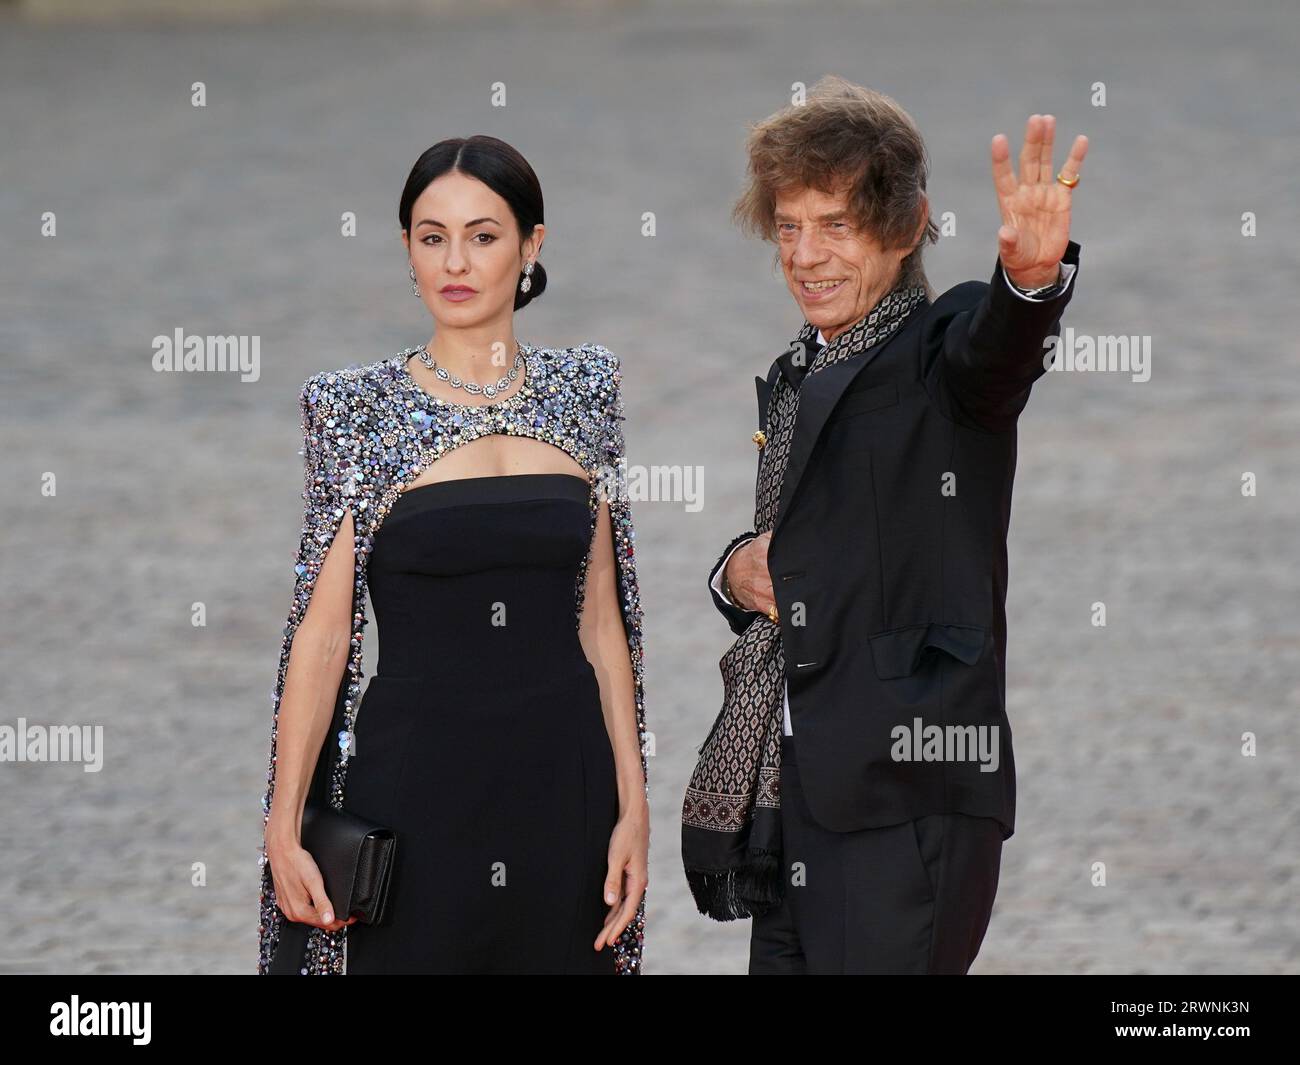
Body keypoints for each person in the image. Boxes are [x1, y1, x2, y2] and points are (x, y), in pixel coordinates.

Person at [682, 76, 1086, 974]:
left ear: (906, 230)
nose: (806, 254)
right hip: (794, 803)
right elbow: (796, 554)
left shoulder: (937, 358)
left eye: (836, 225)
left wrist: (1027, 284)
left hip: (906, 805)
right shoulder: (803, 370)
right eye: (789, 227)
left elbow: (996, 357)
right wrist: (732, 571)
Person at [257, 135, 649, 974]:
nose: (455, 261)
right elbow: (324, 635)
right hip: (414, 790)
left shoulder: (587, 390)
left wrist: (634, 807)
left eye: (483, 234)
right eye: (431, 237)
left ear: (531, 245)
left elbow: (603, 624)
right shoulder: (353, 407)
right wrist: (284, 824)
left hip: (563, 784)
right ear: (407, 250)